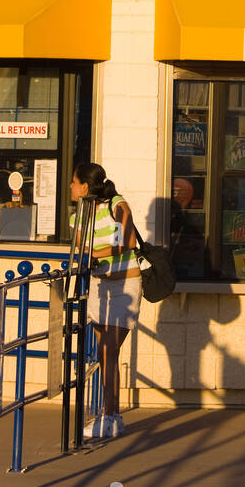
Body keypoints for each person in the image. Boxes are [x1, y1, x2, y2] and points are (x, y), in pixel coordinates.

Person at [70, 162, 142, 439]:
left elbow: (129, 240)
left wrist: (96, 253)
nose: (71, 187)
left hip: (124, 286)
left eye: (74, 182)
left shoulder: (117, 204)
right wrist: (89, 251)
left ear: (86, 186)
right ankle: (113, 416)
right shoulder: (83, 212)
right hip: (101, 286)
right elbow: (79, 242)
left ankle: (110, 415)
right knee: (105, 353)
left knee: (107, 350)